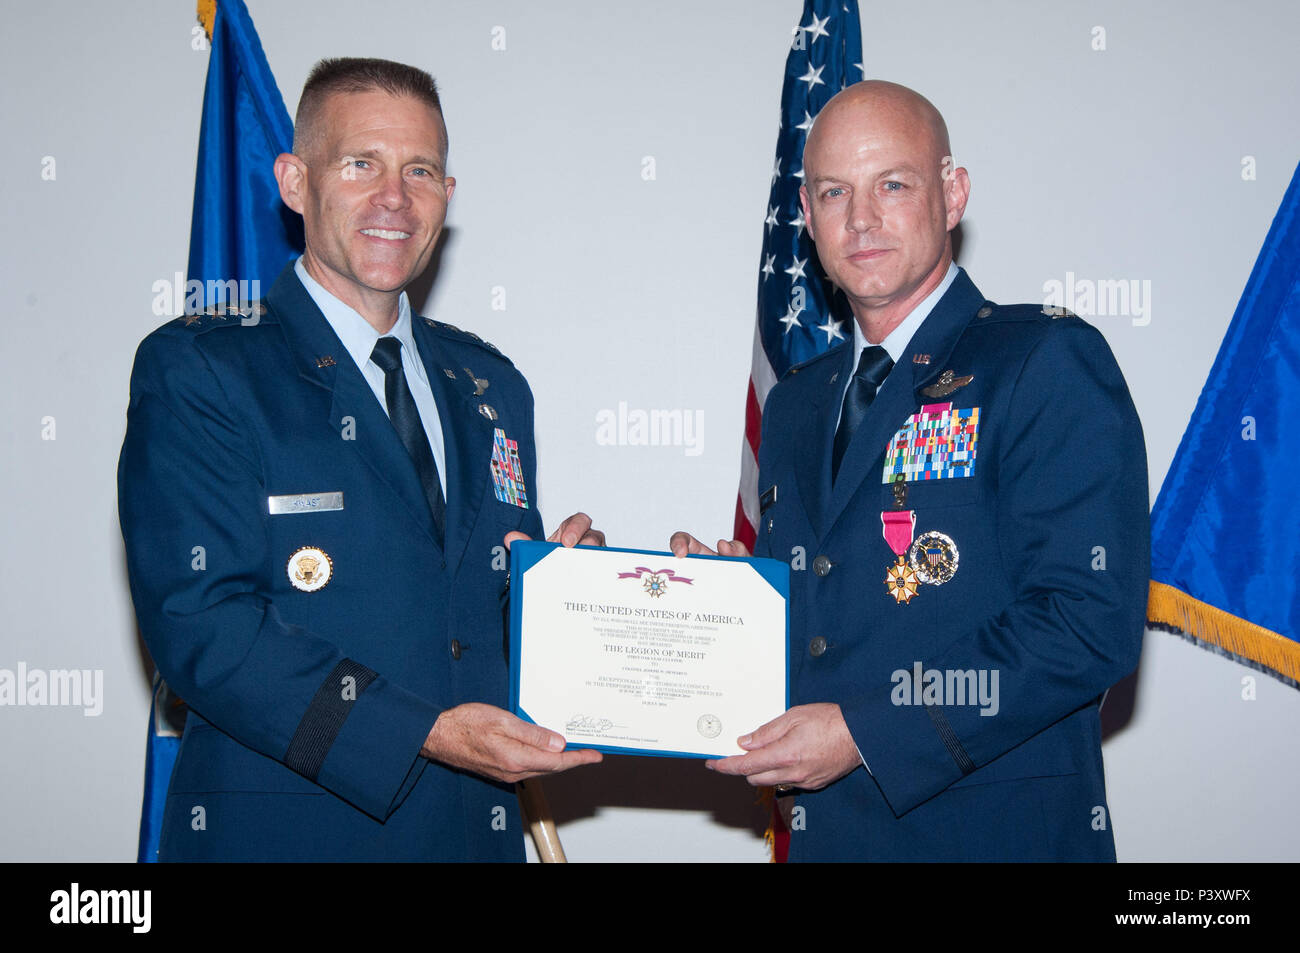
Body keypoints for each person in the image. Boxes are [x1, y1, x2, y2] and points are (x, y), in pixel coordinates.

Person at [118, 57, 602, 861]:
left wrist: (567, 599)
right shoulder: (204, 372)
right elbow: (203, 625)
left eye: (420, 170)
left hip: (469, 836)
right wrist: (427, 733)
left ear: (448, 197)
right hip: (289, 836)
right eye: (360, 164)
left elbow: (469, 623)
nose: (393, 197)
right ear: (294, 181)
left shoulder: (492, 383)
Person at [671, 80, 1148, 861]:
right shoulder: (795, 404)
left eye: (892, 184)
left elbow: (1085, 621)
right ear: (808, 213)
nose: (861, 219)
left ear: (952, 193)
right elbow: (831, 615)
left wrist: (866, 733)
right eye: (834, 192)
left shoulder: (1041, 359)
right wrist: (721, 607)